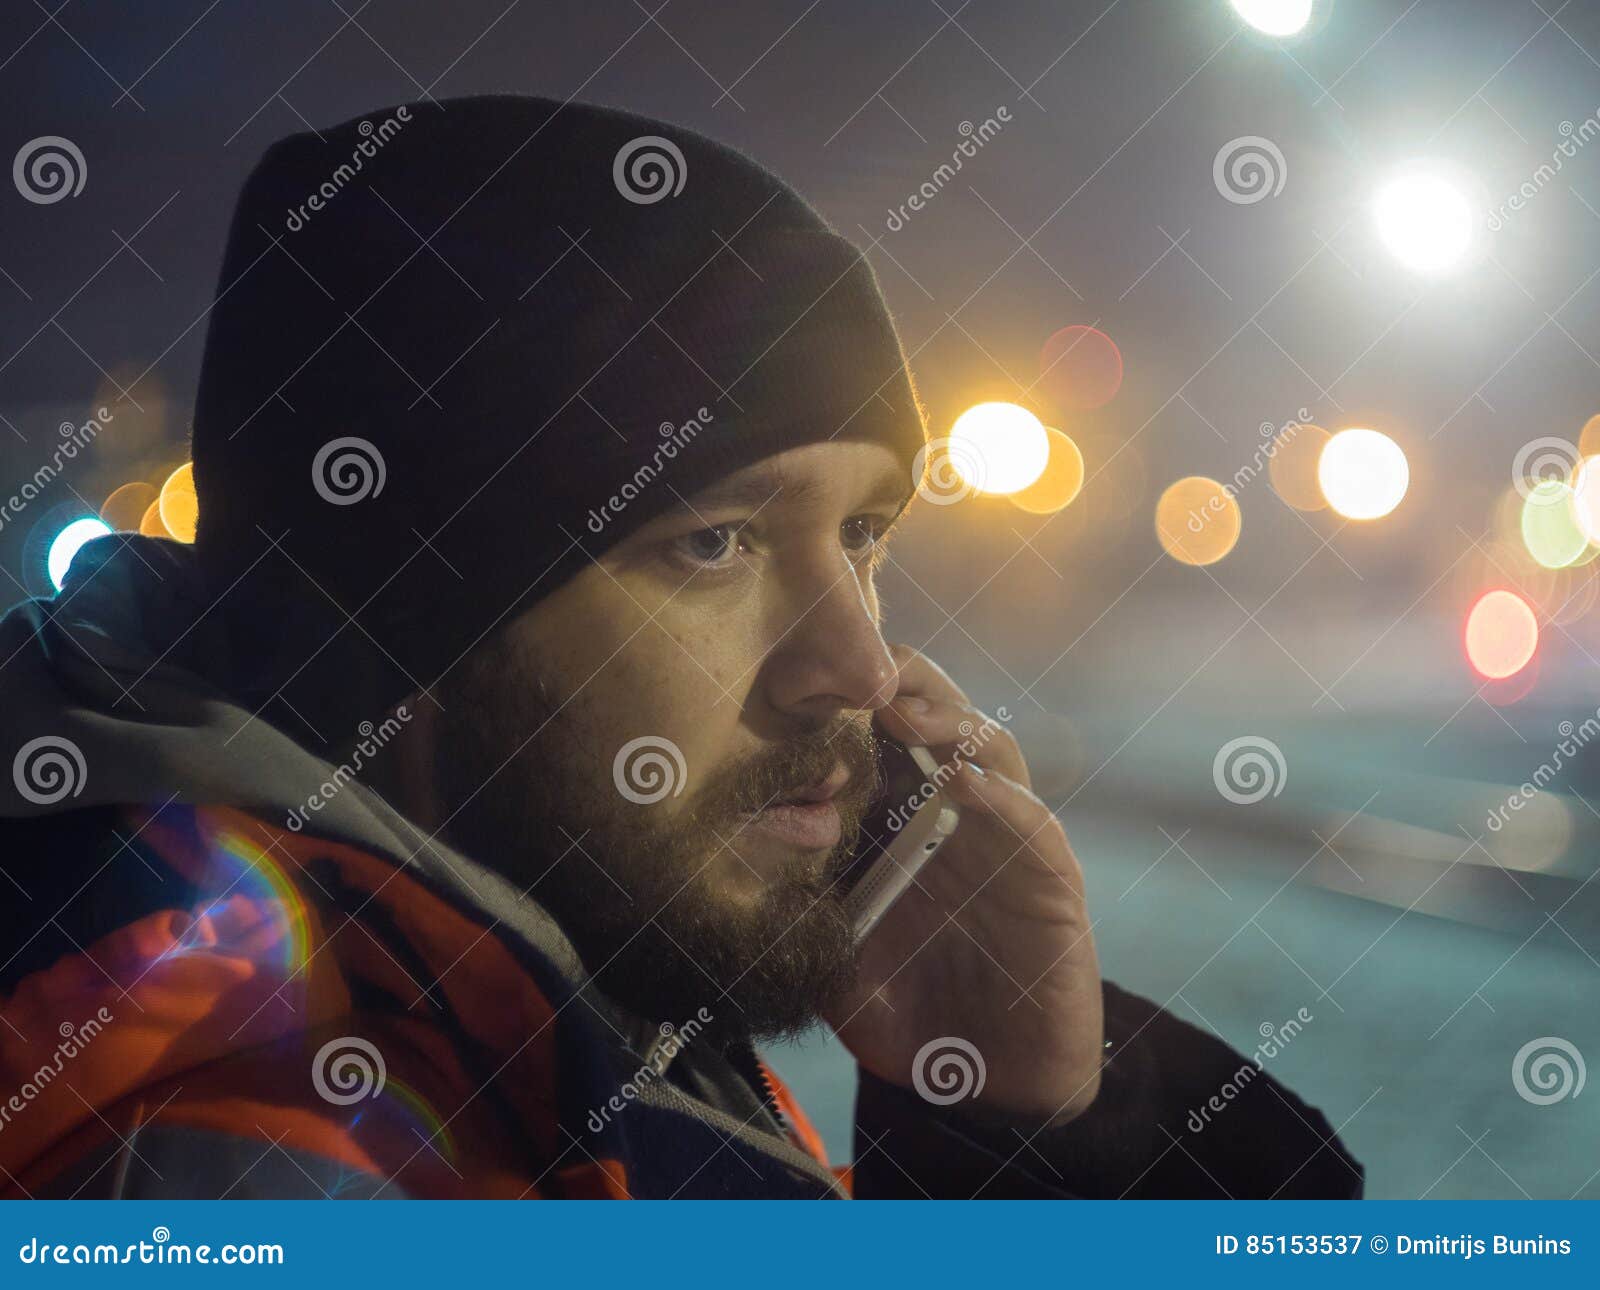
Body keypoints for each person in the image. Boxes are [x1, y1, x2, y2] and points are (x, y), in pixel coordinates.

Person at [0, 94, 1361, 1199]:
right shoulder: (276, 1152)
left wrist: (1021, 1133)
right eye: (714, 542)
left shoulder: (547, 1021)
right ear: (397, 626)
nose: (862, 667)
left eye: (867, 535)